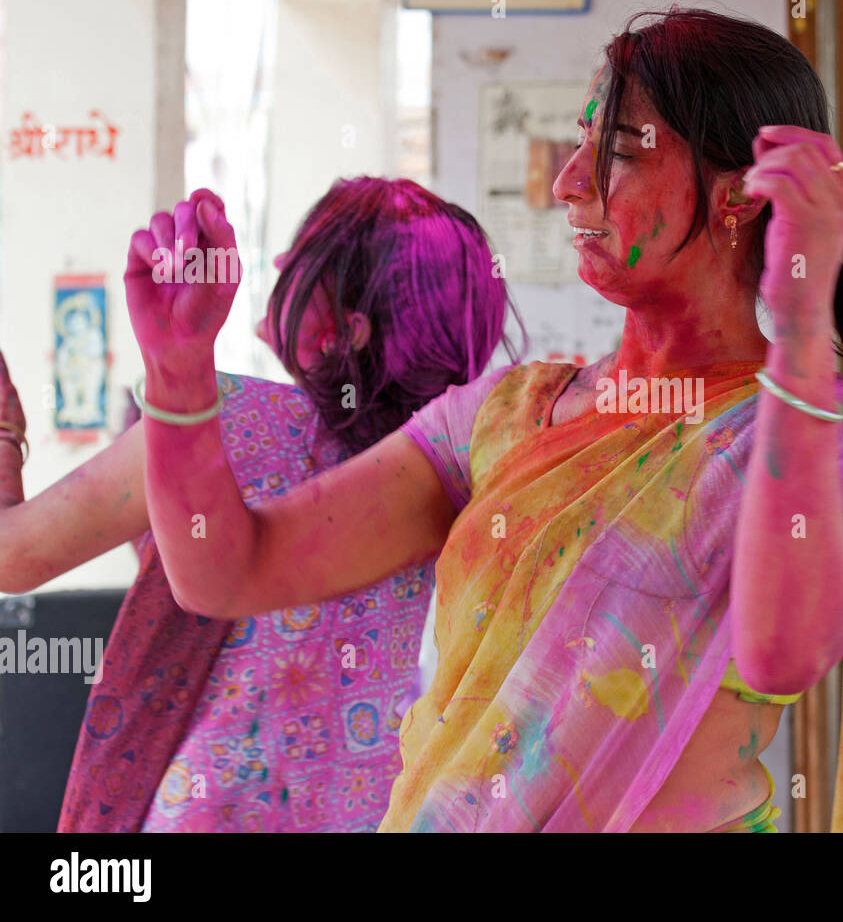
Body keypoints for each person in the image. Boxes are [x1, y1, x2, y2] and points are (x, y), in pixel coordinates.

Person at [120, 9, 843, 833]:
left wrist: (798, 322)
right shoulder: (513, 411)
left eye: (618, 148)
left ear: (735, 196)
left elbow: (782, 649)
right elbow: (232, 567)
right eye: (580, 143)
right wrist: (177, 373)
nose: (570, 182)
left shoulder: (834, 442)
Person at [0, 176, 519, 831]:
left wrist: (5, 433)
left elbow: (10, 557)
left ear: (349, 331)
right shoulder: (480, 474)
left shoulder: (223, 423)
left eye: (306, 256)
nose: (279, 265)